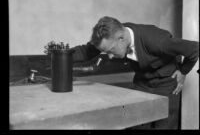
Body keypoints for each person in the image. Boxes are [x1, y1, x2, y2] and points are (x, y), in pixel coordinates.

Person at [71, 16, 199, 129]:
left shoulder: (157, 41)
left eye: (111, 50)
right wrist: (56, 57)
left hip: (166, 82)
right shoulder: (111, 37)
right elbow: (85, 52)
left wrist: (183, 71)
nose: (109, 57)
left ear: (121, 38)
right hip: (142, 80)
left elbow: (194, 49)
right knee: (137, 121)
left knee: (164, 124)